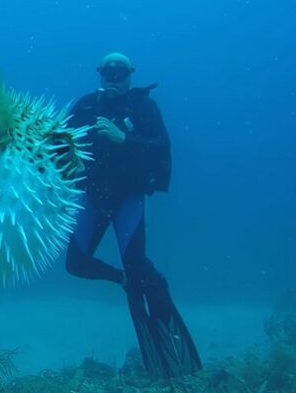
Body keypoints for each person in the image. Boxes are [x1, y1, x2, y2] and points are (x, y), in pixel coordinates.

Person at [65, 52, 201, 378]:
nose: (114, 79)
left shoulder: (143, 107)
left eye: (121, 73)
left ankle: (161, 313)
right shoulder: (84, 107)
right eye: (108, 73)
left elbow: (161, 147)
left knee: (138, 265)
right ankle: (123, 280)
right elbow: (58, 143)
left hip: (127, 198)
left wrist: (123, 138)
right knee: (76, 263)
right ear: (99, 75)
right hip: (94, 198)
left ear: (130, 75)